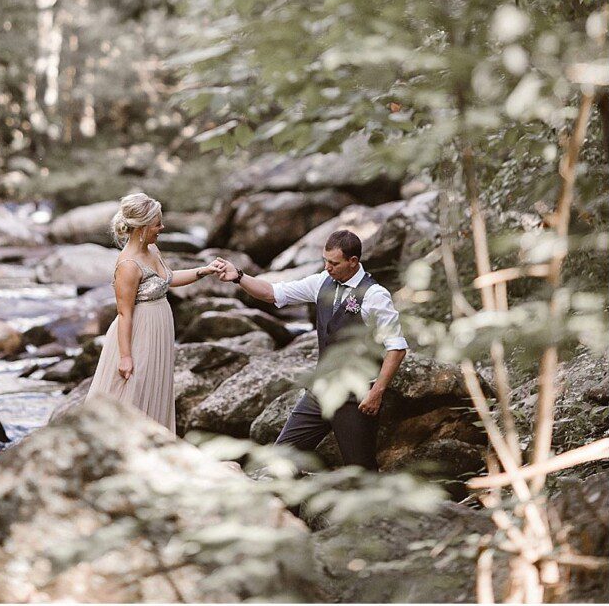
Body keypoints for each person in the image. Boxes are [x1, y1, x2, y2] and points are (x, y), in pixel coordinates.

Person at [218, 229, 407, 469]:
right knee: (282, 458)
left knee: (361, 471)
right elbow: (273, 293)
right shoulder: (321, 282)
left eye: (333, 263)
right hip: (319, 392)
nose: (327, 267)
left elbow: (397, 347)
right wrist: (239, 276)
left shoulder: (375, 295)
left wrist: (377, 392)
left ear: (353, 262)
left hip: (355, 397)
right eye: (325, 261)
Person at [84, 191, 232, 432]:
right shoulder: (128, 265)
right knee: (134, 391)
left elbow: (168, 279)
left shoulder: (152, 250)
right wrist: (125, 356)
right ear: (141, 227)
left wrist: (204, 270)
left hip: (159, 330)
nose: (161, 227)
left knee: (154, 387)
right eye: (157, 224)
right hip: (139, 332)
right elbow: (124, 314)